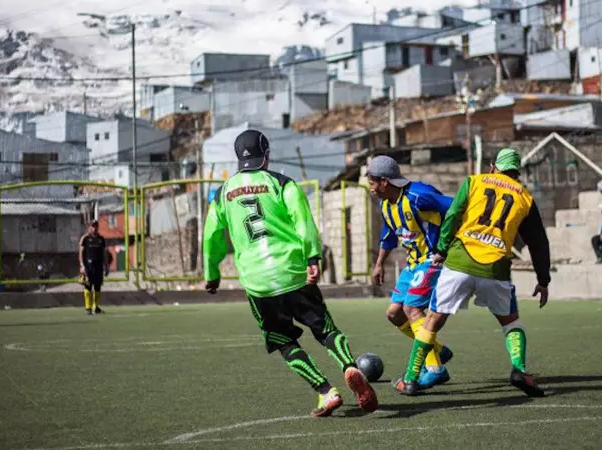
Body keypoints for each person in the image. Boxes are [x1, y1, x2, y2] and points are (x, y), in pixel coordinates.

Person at [203, 129, 378, 417]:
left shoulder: (222, 194)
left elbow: (212, 237)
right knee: (325, 329)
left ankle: (325, 392)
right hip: (293, 272)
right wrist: (312, 255)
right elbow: (303, 221)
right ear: (267, 155)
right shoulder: (282, 183)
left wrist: (212, 273)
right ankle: (349, 366)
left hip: (258, 284)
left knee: (284, 341)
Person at [393, 148, 550, 398]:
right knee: (511, 323)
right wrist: (543, 280)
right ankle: (519, 369)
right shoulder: (525, 198)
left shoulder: (474, 182)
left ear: (493, 166)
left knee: (432, 319)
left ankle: (411, 378)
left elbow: (453, 216)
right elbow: (538, 242)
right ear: (517, 173)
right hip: (495, 267)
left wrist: (442, 249)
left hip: (459, 262)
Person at [366, 155, 455, 389]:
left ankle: (435, 368)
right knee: (394, 313)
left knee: (412, 309)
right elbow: (389, 235)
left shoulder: (419, 195)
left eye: (372, 182)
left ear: (384, 182)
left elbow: (455, 208)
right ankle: (435, 350)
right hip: (412, 263)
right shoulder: (385, 205)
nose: (370, 187)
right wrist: (379, 264)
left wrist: (446, 246)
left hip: (431, 261)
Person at [78, 221, 112, 315]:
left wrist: (106, 266)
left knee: (97, 286)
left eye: (96, 226)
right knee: (88, 286)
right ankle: (88, 308)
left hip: (98, 266)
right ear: (89, 227)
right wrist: (82, 265)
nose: (95, 228)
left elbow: (104, 254)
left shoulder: (101, 239)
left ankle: (96, 307)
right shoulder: (85, 238)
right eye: (93, 226)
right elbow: (81, 252)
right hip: (88, 266)